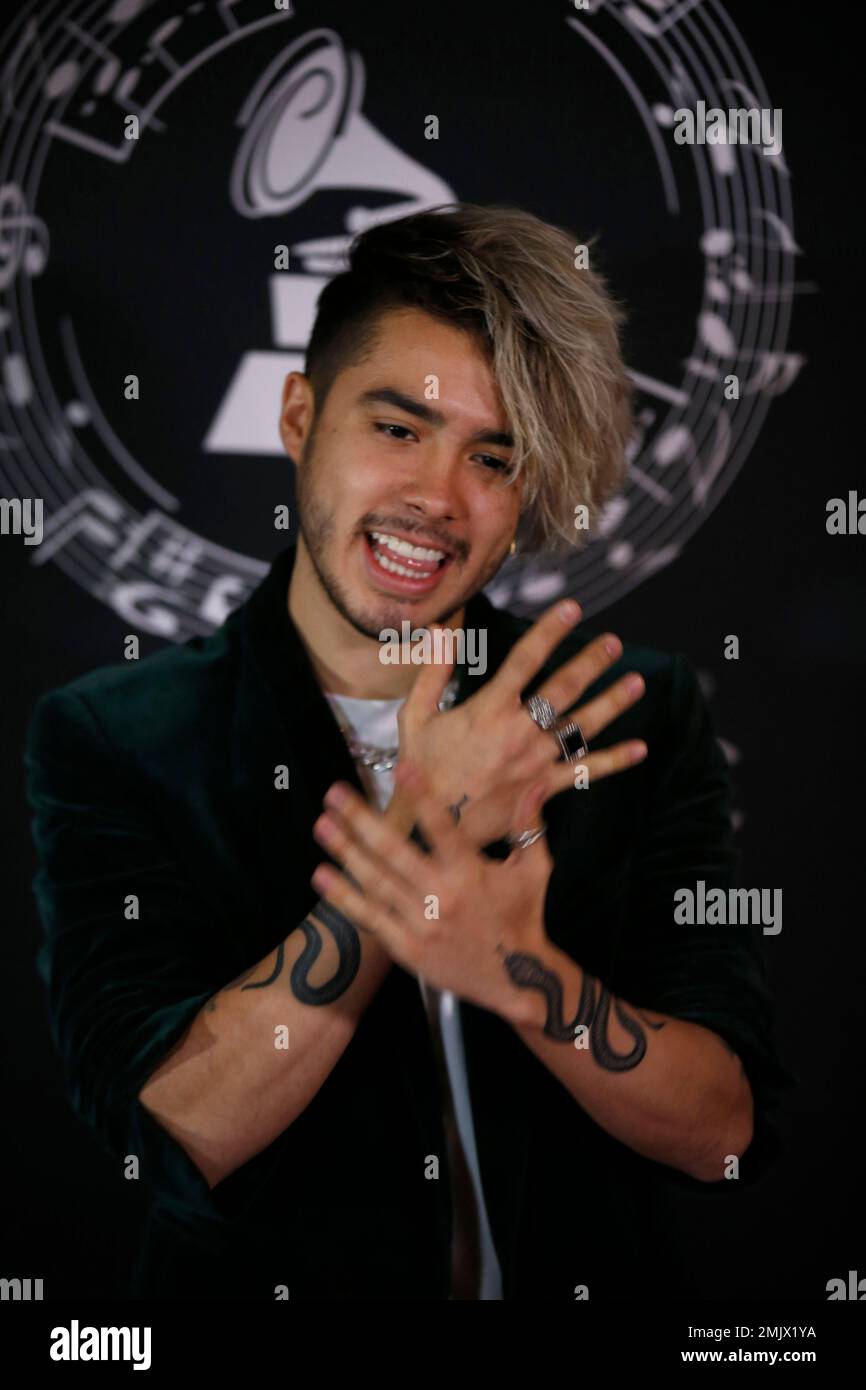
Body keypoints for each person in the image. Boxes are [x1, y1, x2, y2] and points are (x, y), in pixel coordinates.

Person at [25, 203, 794, 1302]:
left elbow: (724, 1135)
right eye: (397, 428)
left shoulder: (632, 714)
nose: (436, 499)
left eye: (492, 455)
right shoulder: (113, 738)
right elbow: (171, 1131)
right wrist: (410, 841)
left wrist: (520, 978)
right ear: (299, 416)